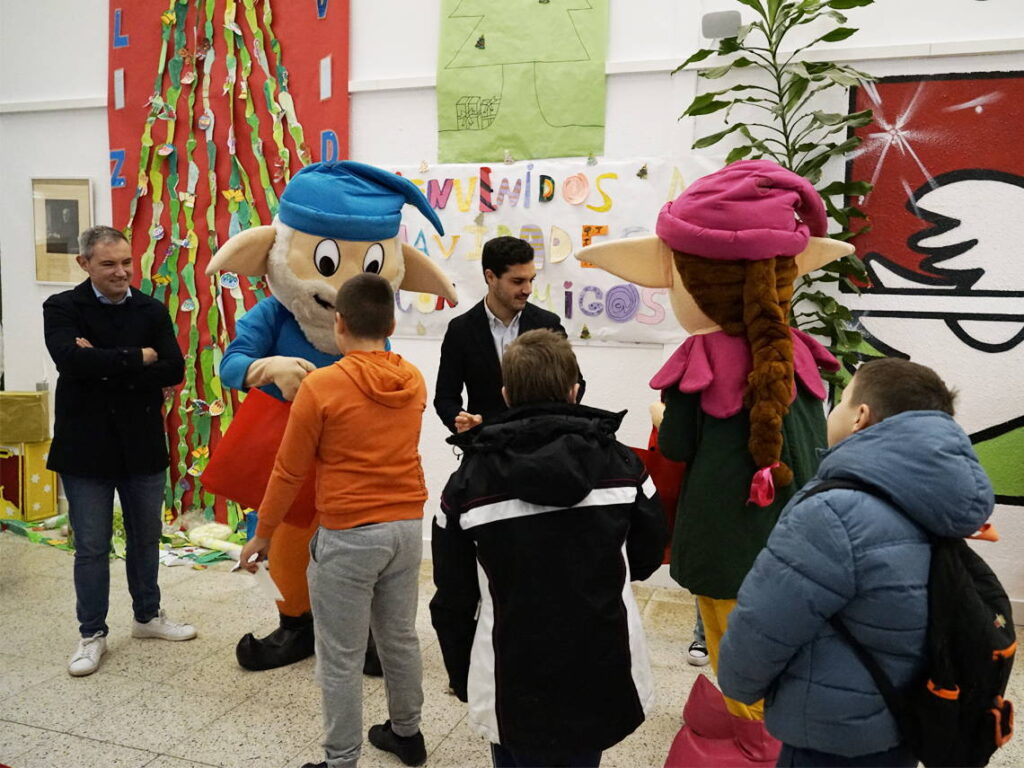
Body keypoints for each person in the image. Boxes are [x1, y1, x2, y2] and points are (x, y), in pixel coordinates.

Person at [718, 358, 995, 767]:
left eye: (841, 400)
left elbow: (766, 623)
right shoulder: (935, 499)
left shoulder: (832, 511)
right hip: (907, 715)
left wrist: (738, 684)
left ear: (860, 417)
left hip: (830, 733)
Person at [430, 328, 667, 768]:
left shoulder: (467, 484)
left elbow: (453, 596)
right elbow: (648, 554)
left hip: (511, 672)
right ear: (574, 391)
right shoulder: (624, 467)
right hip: (599, 659)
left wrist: (464, 676)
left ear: (505, 394)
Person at [239, 273, 429, 768]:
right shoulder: (412, 378)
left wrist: (263, 534)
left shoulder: (322, 386)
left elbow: (289, 470)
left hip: (348, 533)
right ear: (390, 324)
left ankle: (341, 759)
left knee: (340, 654)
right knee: (399, 638)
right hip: (407, 528)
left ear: (339, 324)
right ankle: (407, 734)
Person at [43, 225, 195, 678]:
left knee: (146, 538)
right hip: (84, 447)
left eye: (127, 262)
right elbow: (70, 360)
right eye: (109, 264)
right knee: (91, 546)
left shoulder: (151, 308)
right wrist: (138, 358)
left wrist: (106, 362)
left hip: (142, 443)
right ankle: (92, 633)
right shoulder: (62, 307)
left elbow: (174, 367)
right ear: (84, 264)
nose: (122, 272)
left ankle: (148, 617)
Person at [434, 235, 584, 433]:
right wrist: (464, 423)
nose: (527, 289)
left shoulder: (548, 324)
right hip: (485, 451)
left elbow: (575, 383)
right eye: (517, 281)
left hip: (541, 448)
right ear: (490, 277)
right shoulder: (460, 330)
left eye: (531, 280)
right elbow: (445, 398)